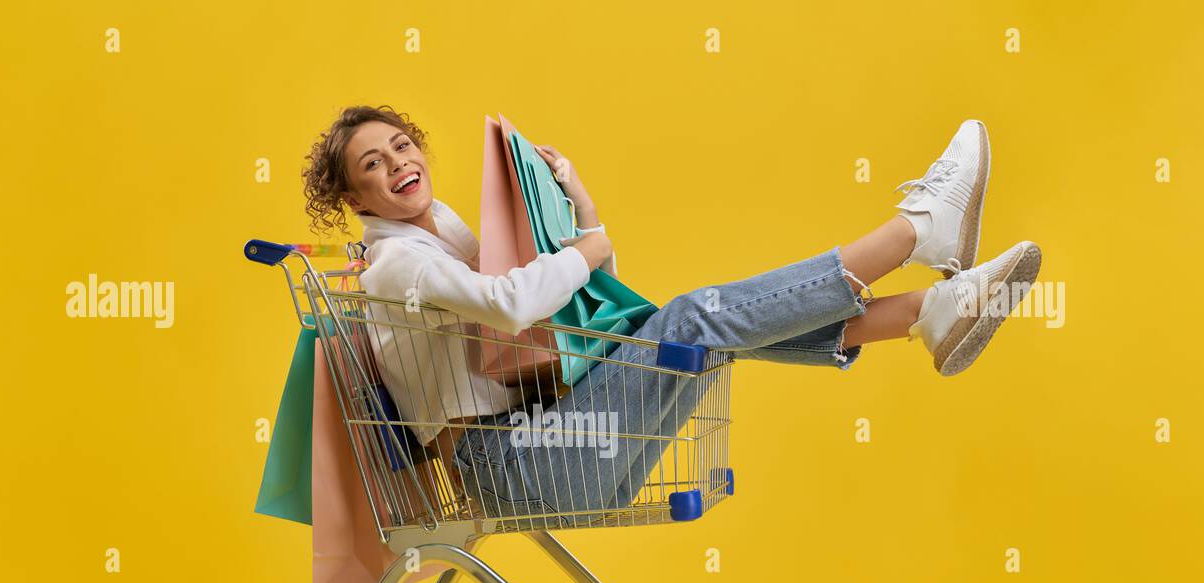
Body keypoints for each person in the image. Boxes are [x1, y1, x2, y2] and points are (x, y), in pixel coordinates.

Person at [302, 105, 1041, 525]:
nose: (397, 161)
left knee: (695, 332)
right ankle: (915, 234)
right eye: (371, 163)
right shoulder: (396, 260)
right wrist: (590, 248)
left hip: (551, 444)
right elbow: (514, 301)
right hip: (512, 464)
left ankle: (928, 310)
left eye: (401, 145)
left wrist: (581, 209)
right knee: (691, 322)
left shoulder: (443, 231)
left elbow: (572, 318)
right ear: (354, 201)